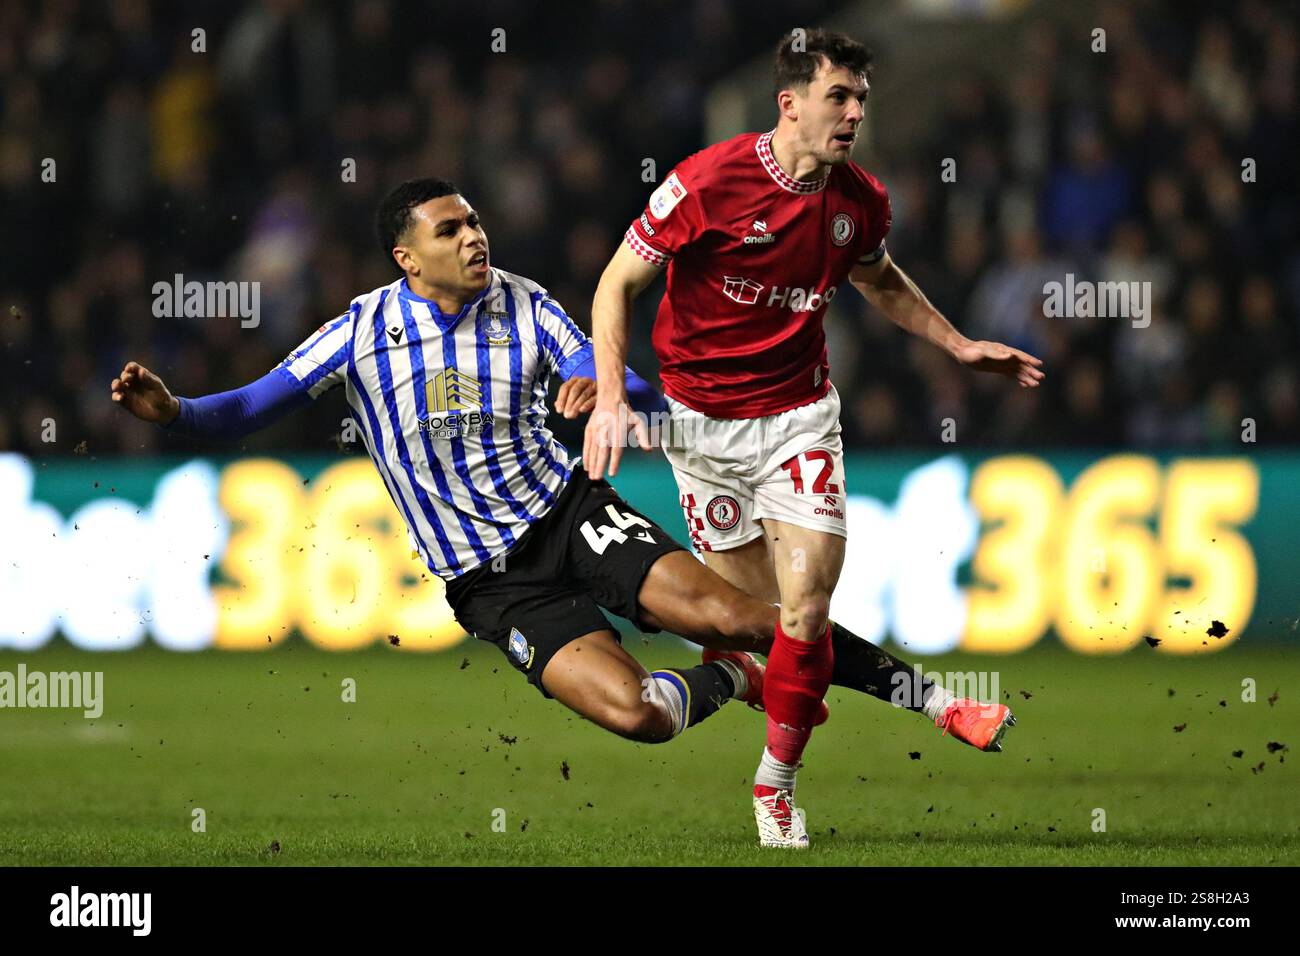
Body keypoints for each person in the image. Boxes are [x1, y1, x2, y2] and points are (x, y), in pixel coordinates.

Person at [114, 178, 1011, 851]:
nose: (475, 237)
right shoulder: (360, 331)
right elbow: (253, 404)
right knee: (641, 717)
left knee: (746, 614)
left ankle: (934, 701)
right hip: (490, 585)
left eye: (474, 222)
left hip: (569, 513)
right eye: (450, 230)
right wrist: (177, 413)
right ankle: (738, 680)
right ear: (406, 257)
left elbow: (613, 369)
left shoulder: (523, 301)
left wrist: (605, 388)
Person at [585, 29, 1038, 846]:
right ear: (789, 103)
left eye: (862, 99)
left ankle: (776, 787)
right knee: (758, 628)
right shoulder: (705, 183)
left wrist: (958, 343)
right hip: (701, 433)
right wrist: (614, 395)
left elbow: (879, 278)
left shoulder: (860, 200)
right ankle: (923, 698)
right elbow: (617, 280)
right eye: (841, 96)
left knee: (805, 608)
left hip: (798, 421)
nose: (856, 113)